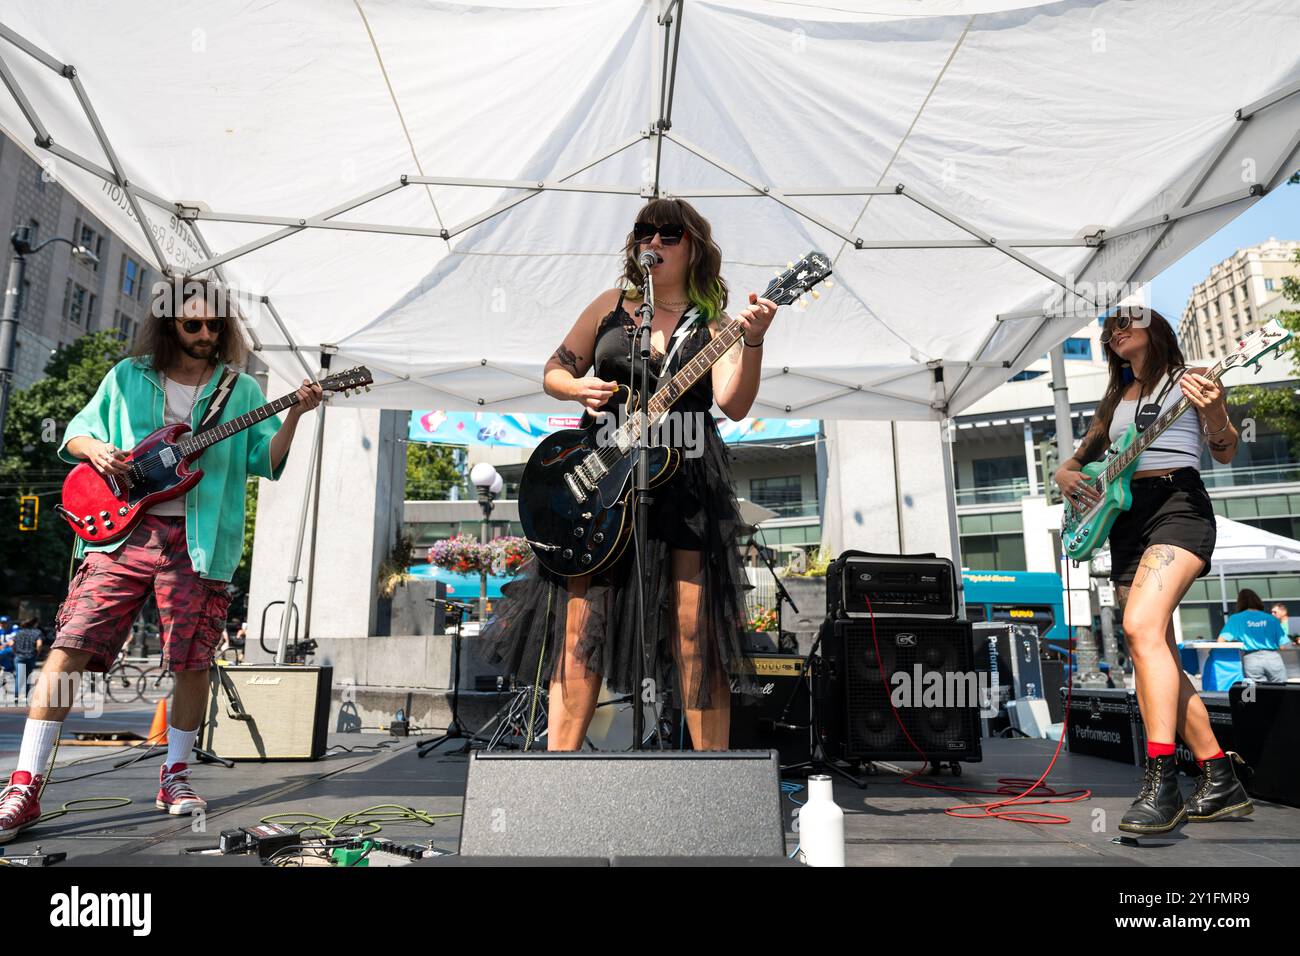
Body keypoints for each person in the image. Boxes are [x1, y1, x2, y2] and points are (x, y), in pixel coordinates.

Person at [0, 278, 322, 844]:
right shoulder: (129, 377)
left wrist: (295, 414)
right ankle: (23, 784)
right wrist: (96, 450)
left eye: (215, 325)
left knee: (192, 660)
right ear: (168, 322)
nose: (204, 334)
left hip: (198, 540)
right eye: (192, 323)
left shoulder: (240, 388)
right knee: (69, 649)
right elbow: (77, 433)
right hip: (120, 535)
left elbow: (264, 463)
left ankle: (175, 774)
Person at [482, 197, 777, 751]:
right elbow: (554, 370)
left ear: (693, 247)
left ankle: (714, 781)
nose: (656, 243)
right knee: (581, 626)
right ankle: (558, 777)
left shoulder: (713, 323)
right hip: (602, 476)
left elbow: (733, 404)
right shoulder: (610, 307)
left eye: (670, 235)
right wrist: (577, 388)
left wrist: (753, 340)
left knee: (693, 629)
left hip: (685, 476)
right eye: (646, 232)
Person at [1055, 307, 1250, 834]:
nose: (1116, 331)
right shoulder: (1114, 400)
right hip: (1124, 520)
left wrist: (1217, 416)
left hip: (1177, 506)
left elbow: (1226, 450)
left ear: (1156, 329)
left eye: (1128, 323)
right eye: (1109, 329)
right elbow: (1077, 463)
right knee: (1151, 648)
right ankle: (1219, 772)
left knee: (1140, 628)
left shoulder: (1191, 379)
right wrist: (1065, 474)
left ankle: (1162, 780)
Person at [1220, 590, 1289, 681]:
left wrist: (1240, 641)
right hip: (1273, 658)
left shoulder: (1236, 618)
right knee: (1281, 690)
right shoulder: (1272, 619)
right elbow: (1283, 645)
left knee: (1255, 692)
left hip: (1251, 659)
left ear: (1240, 603)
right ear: (1257, 601)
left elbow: (1221, 641)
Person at [10, 617, 42, 704]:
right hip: (31, 657)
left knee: (19, 677)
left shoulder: (19, 632)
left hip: (19, 657)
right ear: (34, 624)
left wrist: (15, 653)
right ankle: (25, 696)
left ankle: (16, 697)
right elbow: (39, 645)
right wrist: (37, 654)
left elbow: (12, 644)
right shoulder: (37, 632)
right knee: (28, 676)